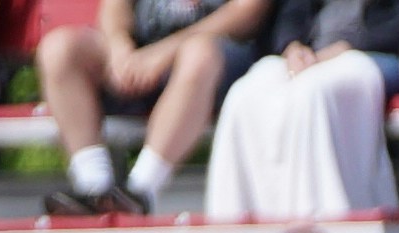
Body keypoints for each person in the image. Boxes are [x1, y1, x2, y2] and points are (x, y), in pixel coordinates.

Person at [29, 0, 259, 212]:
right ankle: (94, 188)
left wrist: (163, 53)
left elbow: (245, 13)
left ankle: (140, 191)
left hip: (217, 54)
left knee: (199, 54)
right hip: (141, 53)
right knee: (59, 49)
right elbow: (115, 7)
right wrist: (119, 48)